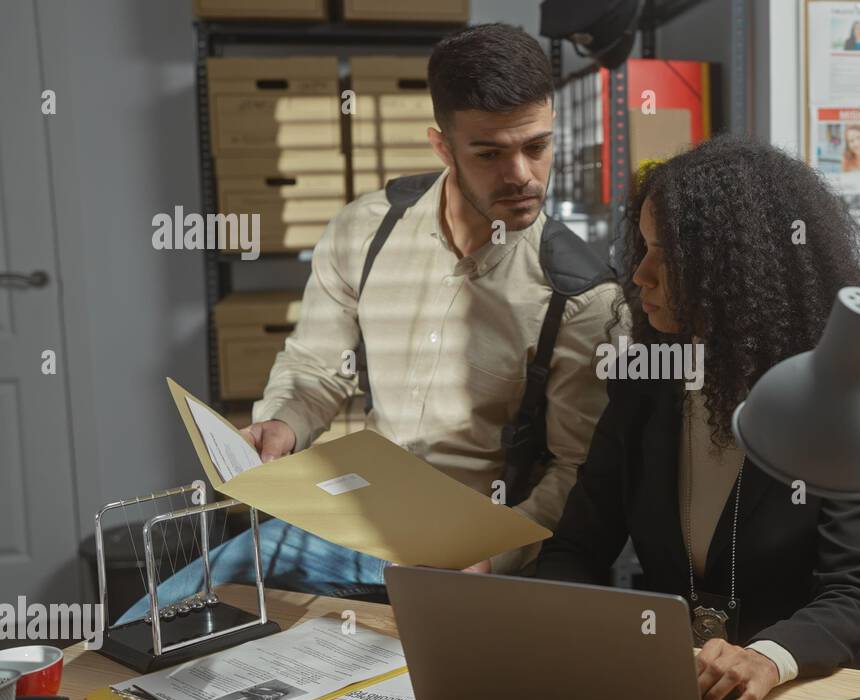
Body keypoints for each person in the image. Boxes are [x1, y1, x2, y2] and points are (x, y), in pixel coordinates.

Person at [118, 24, 621, 624]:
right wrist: (283, 424)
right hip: (352, 520)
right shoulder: (366, 230)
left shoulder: (581, 295)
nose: (522, 175)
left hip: (472, 553)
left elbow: (576, 469)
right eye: (489, 153)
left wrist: (495, 554)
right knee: (152, 621)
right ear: (443, 147)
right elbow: (315, 369)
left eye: (537, 146)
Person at [535, 136, 860, 700]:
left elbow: (857, 595)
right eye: (642, 249)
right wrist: (559, 628)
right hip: (668, 693)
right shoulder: (646, 381)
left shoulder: (839, 403)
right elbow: (576, 548)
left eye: (665, 255)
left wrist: (767, 658)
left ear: (735, 266)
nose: (639, 274)